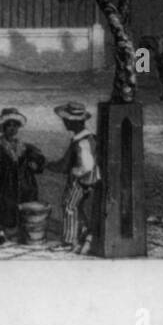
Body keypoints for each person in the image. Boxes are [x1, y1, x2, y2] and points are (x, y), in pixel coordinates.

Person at [0, 108, 44, 245]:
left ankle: (20, 230)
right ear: (3, 128)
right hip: (0, 181)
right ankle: (0, 232)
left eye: (15, 125)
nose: (12, 128)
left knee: (23, 201)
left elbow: (37, 157)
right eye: (9, 125)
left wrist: (34, 164)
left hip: (20, 180)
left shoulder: (23, 145)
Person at [46, 101, 99, 255]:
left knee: (69, 206)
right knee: (78, 207)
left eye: (65, 120)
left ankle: (69, 241)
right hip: (87, 181)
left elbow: (87, 166)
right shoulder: (86, 137)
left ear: (72, 122)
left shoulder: (82, 142)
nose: (63, 122)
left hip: (80, 181)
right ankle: (82, 233)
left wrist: (74, 172)